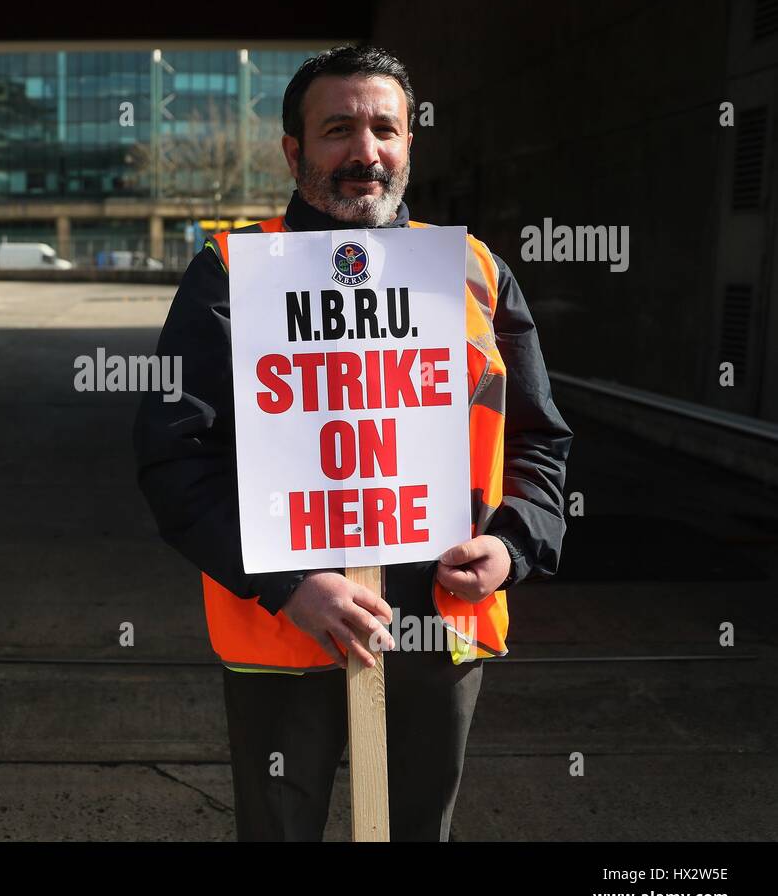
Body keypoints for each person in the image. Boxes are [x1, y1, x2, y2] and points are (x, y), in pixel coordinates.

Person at [133, 46, 572, 841]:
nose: (364, 152)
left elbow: (538, 443)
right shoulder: (229, 274)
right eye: (338, 130)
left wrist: (514, 544)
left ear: (409, 144)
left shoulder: (475, 272)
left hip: (440, 626)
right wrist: (291, 582)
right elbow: (174, 457)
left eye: (384, 129)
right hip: (282, 629)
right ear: (295, 152)